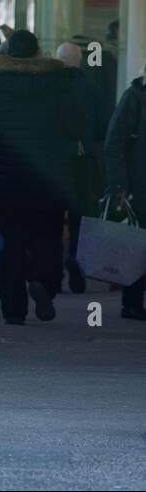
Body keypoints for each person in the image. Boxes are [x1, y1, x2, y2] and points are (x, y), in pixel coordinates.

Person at [0, 31, 83, 325]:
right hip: (47, 177)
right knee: (47, 237)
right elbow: (74, 124)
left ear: (8, 51)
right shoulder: (58, 80)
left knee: (7, 245)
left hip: (4, 175)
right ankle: (44, 283)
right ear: (37, 51)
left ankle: (13, 309)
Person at [56, 41, 111, 294]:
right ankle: (76, 264)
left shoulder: (49, 87)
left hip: (56, 162)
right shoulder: (92, 88)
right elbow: (103, 127)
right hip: (84, 162)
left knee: (53, 217)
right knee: (80, 216)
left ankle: (52, 273)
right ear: (79, 61)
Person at [104, 63, 146, 321]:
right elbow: (114, 141)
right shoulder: (135, 97)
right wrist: (120, 184)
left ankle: (132, 302)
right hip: (139, 184)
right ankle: (131, 302)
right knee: (136, 242)